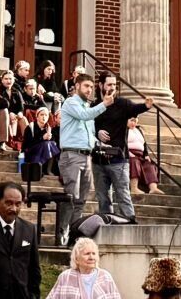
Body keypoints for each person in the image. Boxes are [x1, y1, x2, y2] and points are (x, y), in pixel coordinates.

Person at [58, 72, 112, 245]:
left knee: (81, 200)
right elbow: (83, 116)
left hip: (86, 156)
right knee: (70, 197)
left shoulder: (87, 108)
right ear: (77, 86)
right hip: (71, 155)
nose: (89, 90)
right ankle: (62, 235)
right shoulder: (71, 102)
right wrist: (104, 104)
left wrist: (100, 144)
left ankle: (74, 235)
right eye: (86, 86)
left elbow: (88, 134)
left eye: (91, 86)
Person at [91, 73, 149, 221]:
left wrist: (146, 105)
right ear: (101, 86)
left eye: (114, 85)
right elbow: (88, 126)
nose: (112, 88)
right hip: (98, 160)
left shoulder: (122, 104)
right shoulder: (94, 106)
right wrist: (97, 133)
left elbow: (136, 108)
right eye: (109, 84)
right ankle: (106, 223)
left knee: (123, 194)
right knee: (103, 198)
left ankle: (130, 222)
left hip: (118, 160)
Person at [0, 181, 41, 299]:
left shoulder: (29, 229)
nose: (14, 209)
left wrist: (33, 296)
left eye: (18, 204)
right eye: (8, 203)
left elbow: (34, 269)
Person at [45, 237, 123, 299]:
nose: (91, 257)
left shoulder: (105, 277)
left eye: (94, 253)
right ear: (76, 258)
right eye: (87, 254)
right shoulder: (66, 277)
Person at [22, 105, 60, 185]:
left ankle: (47, 169)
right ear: (37, 116)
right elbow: (27, 144)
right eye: (41, 115)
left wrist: (50, 138)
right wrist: (42, 138)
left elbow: (53, 145)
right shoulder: (30, 127)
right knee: (46, 144)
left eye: (46, 115)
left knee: (50, 144)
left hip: (44, 153)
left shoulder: (49, 128)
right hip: (31, 151)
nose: (44, 117)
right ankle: (41, 170)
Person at [126, 116, 163, 196]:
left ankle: (153, 188)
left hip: (141, 154)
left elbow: (144, 144)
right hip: (129, 154)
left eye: (135, 121)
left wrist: (146, 154)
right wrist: (128, 153)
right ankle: (134, 188)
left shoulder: (138, 130)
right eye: (131, 121)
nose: (133, 123)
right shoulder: (123, 130)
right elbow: (122, 143)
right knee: (134, 161)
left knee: (149, 164)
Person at [0, 71, 25, 151]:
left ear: (13, 80)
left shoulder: (16, 92)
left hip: (15, 117)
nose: (8, 81)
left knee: (23, 119)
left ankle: (26, 144)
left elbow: (21, 107)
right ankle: (3, 142)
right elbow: (3, 105)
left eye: (10, 79)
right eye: (6, 79)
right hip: (2, 114)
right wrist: (10, 114)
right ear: (2, 80)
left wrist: (19, 113)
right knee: (5, 112)